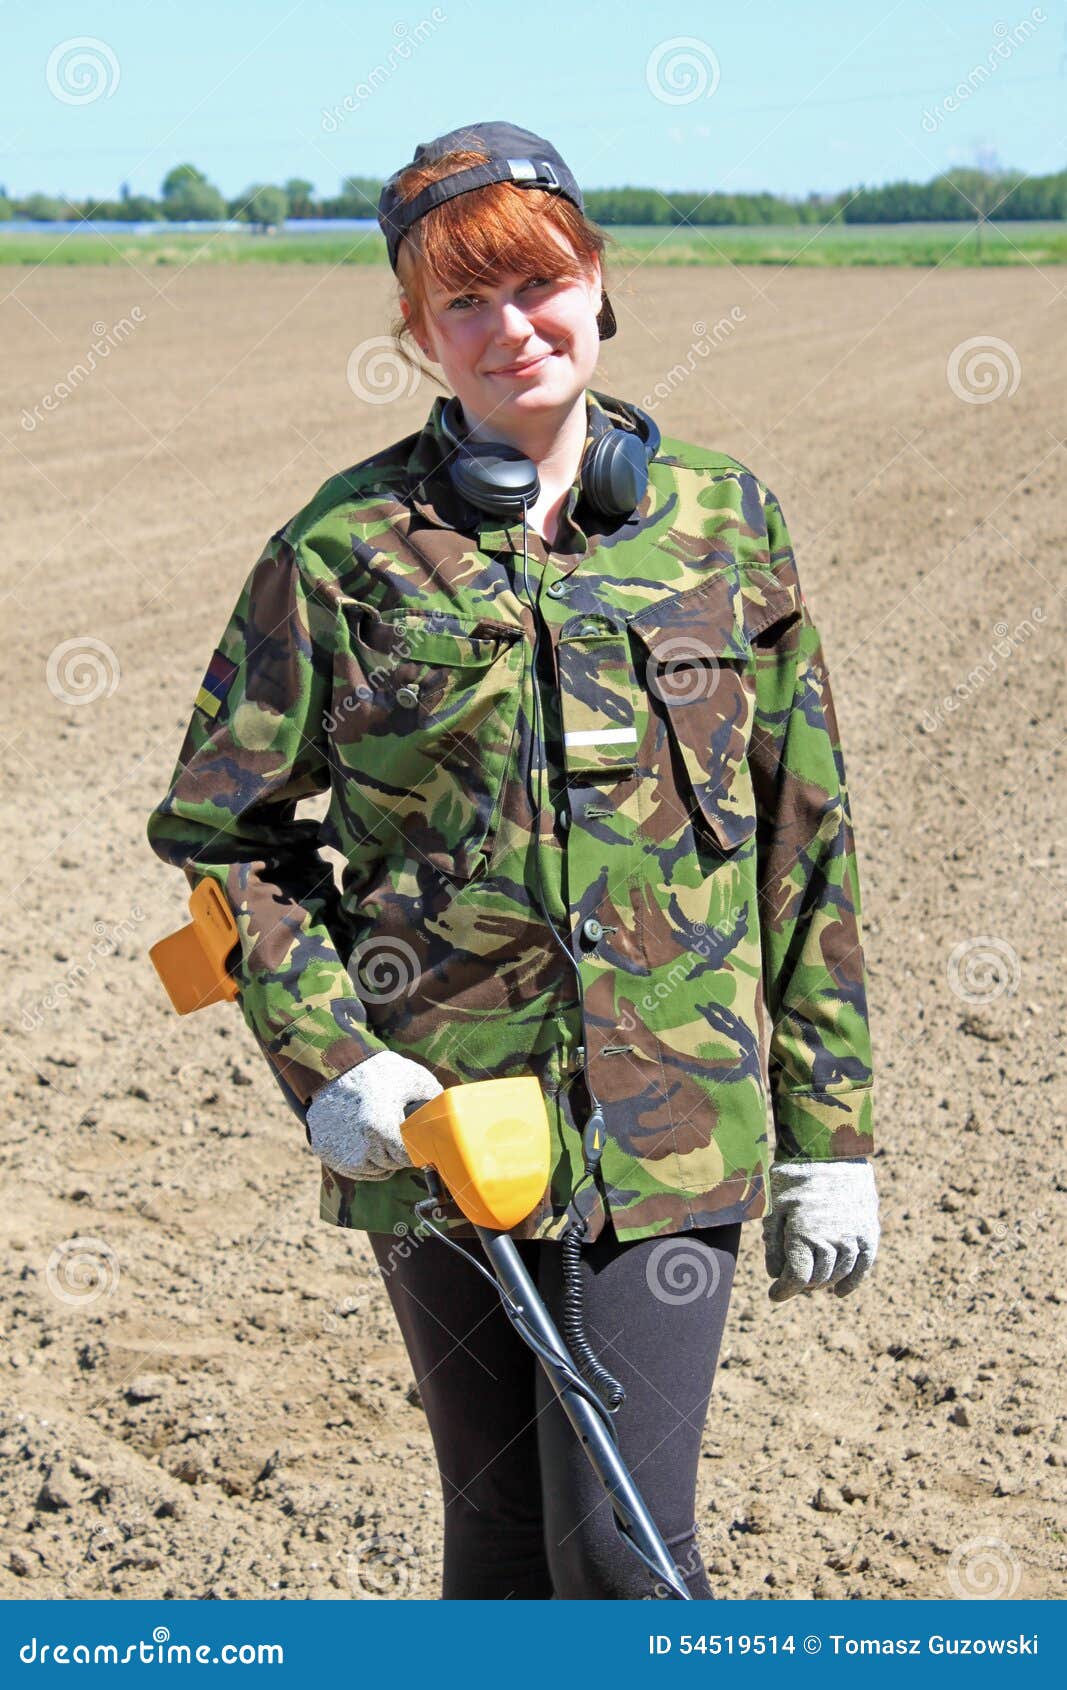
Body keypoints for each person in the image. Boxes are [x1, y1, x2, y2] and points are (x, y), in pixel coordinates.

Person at [146, 119, 880, 1600]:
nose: (508, 329)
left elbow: (807, 837)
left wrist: (835, 1132)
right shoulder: (342, 552)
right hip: (440, 1125)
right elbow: (223, 842)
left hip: (674, 1121)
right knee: (491, 1545)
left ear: (598, 282)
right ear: (417, 334)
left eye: (535, 285)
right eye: (459, 303)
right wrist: (333, 1058)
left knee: (619, 1546)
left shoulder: (723, 525)